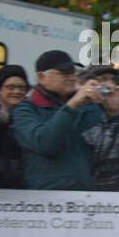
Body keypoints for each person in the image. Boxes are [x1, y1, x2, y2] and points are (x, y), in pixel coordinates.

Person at [11, 50, 107, 190]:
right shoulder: (25, 109)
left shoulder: (86, 106)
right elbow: (45, 143)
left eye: (73, 72)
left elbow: (106, 145)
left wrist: (113, 112)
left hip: (85, 199)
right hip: (44, 202)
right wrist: (72, 105)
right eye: (64, 73)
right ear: (41, 77)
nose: (72, 78)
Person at [0, 64, 29, 188]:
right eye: (10, 87)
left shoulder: (31, 115)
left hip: (24, 186)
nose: (16, 91)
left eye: (21, 87)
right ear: (0, 89)